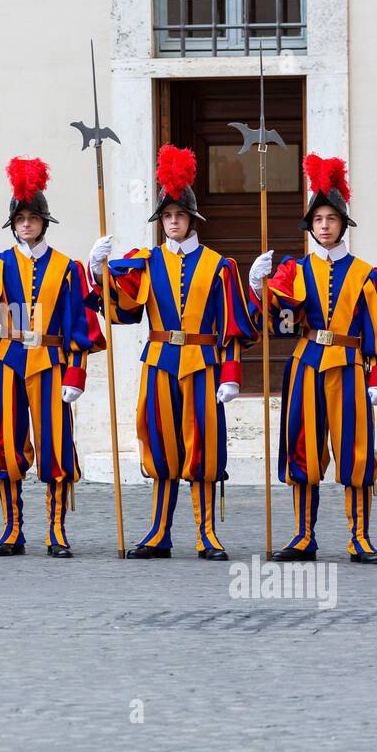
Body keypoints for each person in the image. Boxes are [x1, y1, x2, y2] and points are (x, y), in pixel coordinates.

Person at [92, 144, 256, 559]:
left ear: (192, 218)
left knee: (203, 445)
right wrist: (98, 272)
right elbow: (123, 310)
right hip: (160, 361)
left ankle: (206, 534)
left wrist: (232, 373)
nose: (173, 222)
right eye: (167, 216)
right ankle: (158, 532)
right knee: (161, 444)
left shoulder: (220, 266)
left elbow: (233, 324)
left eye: (179, 215)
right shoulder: (144, 262)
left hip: (203, 364)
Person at [248, 154, 377, 563]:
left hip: (350, 367)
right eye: (317, 219)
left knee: (356, 450)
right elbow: (274, 317)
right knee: (302, 447)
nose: (324, 225)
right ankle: (303, 536)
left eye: (330, 219)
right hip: (305, 364)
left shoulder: (367, 273)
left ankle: (360, 537)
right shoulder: (293, 270)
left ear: (342, 224)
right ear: (310, 225)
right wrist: (258, 285)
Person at [0, 157, 104, 558]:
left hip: (53, 361)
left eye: (32, 217)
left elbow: (81, 325)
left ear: (44, 221)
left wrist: (77, 373)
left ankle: (56, 529)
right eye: (19, 218)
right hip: (7, 359)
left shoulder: (69, 268)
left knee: (56, 443)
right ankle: (12, 527)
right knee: (6, 442)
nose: (25, 224)